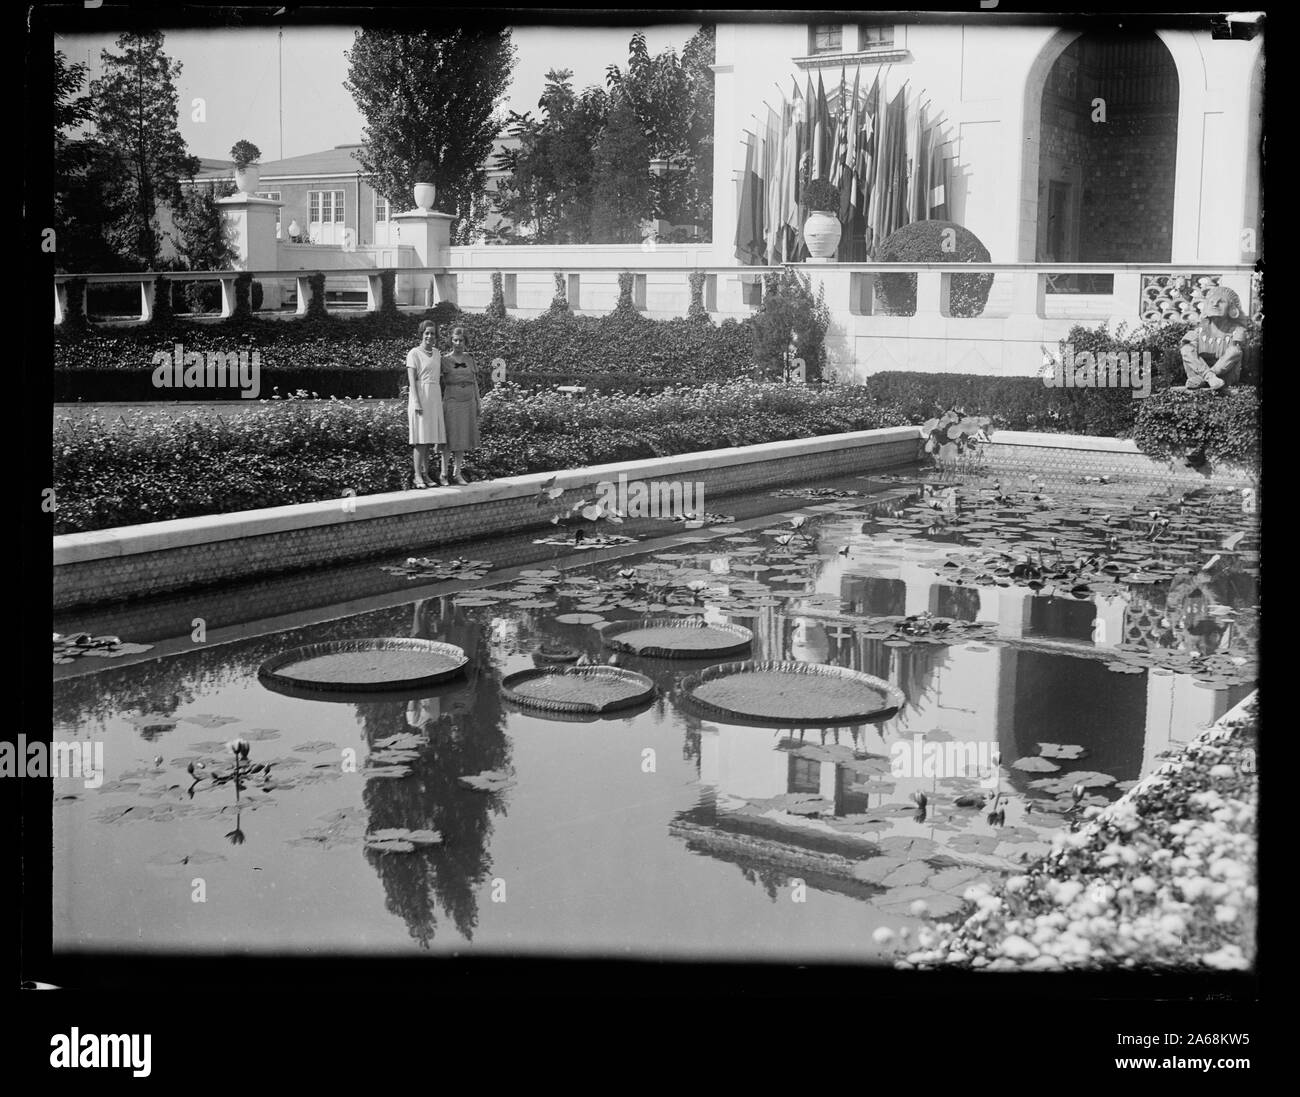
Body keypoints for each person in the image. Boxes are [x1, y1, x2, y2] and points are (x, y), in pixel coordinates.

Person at [1181, 286, 1247, 390]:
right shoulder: (1198, 330)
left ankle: (1206, 378)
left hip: (1226, 377)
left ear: (1232, 308)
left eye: (1221, 302)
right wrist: (1210, 376)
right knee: (1186, 348)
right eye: (1211, 301)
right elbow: (1186, 351)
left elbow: (1235, 353)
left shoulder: (1238, 330)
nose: (1215, 304)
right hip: (1200, 376)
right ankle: (1210, 378)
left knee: (1235, 350)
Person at [440, 324, 482, 484]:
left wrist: (478, 402)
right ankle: (443, 474)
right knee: (449, 438)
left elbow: (475, 383)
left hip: (468, 402)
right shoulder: (444, 360)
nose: (458, 343)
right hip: (451, 402)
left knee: (462, 438)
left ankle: (457, 473)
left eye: (461, 340)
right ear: (451, 341)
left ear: (466, 342)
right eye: (455, 340)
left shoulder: (470, 358)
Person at [406, 320, 445, 489]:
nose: (430, 336)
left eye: (433, 333)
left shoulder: (437, 353)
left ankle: (426, 474)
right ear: (421, 334)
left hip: (434, 398)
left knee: (429, 441)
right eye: (426, 333)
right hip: (420, 397)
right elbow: (412, 381)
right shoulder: (414, 353)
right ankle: (416, 475)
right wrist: (416, 402)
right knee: (420, 440)